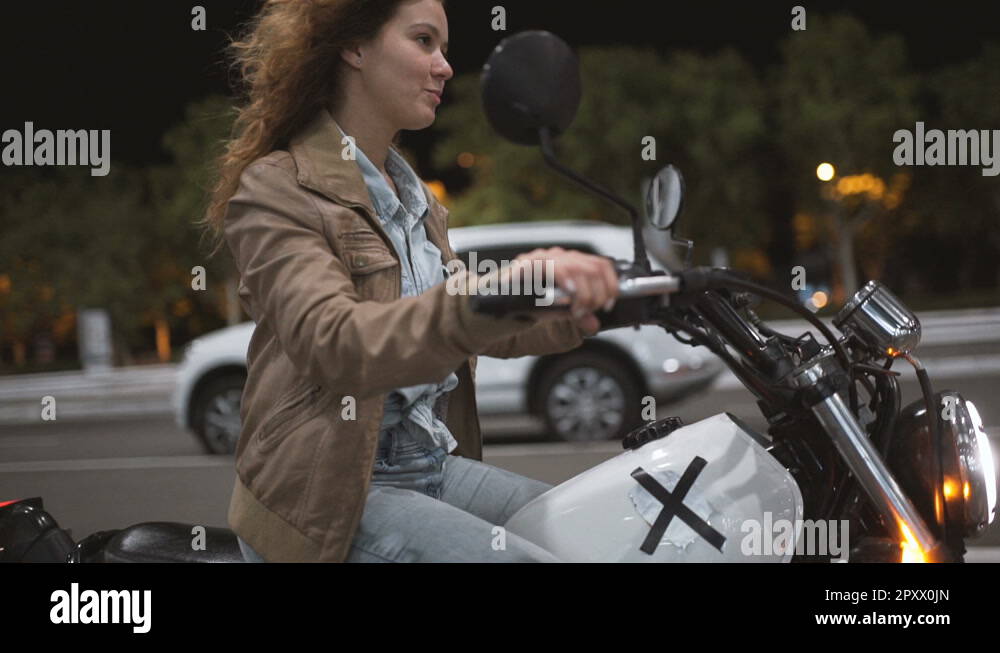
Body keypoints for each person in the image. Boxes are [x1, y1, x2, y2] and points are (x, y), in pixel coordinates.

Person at [200, 0, 619, 563]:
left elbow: (480, 331)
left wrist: (579, 311)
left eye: (442, 47)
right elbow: (337, 342)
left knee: (601, 531)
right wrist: (497, 289)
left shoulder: (413, 198)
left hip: (431, 464)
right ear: (355, 47)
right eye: (424, 41)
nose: (444, 66)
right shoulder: (277, 190)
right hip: (334, 490)